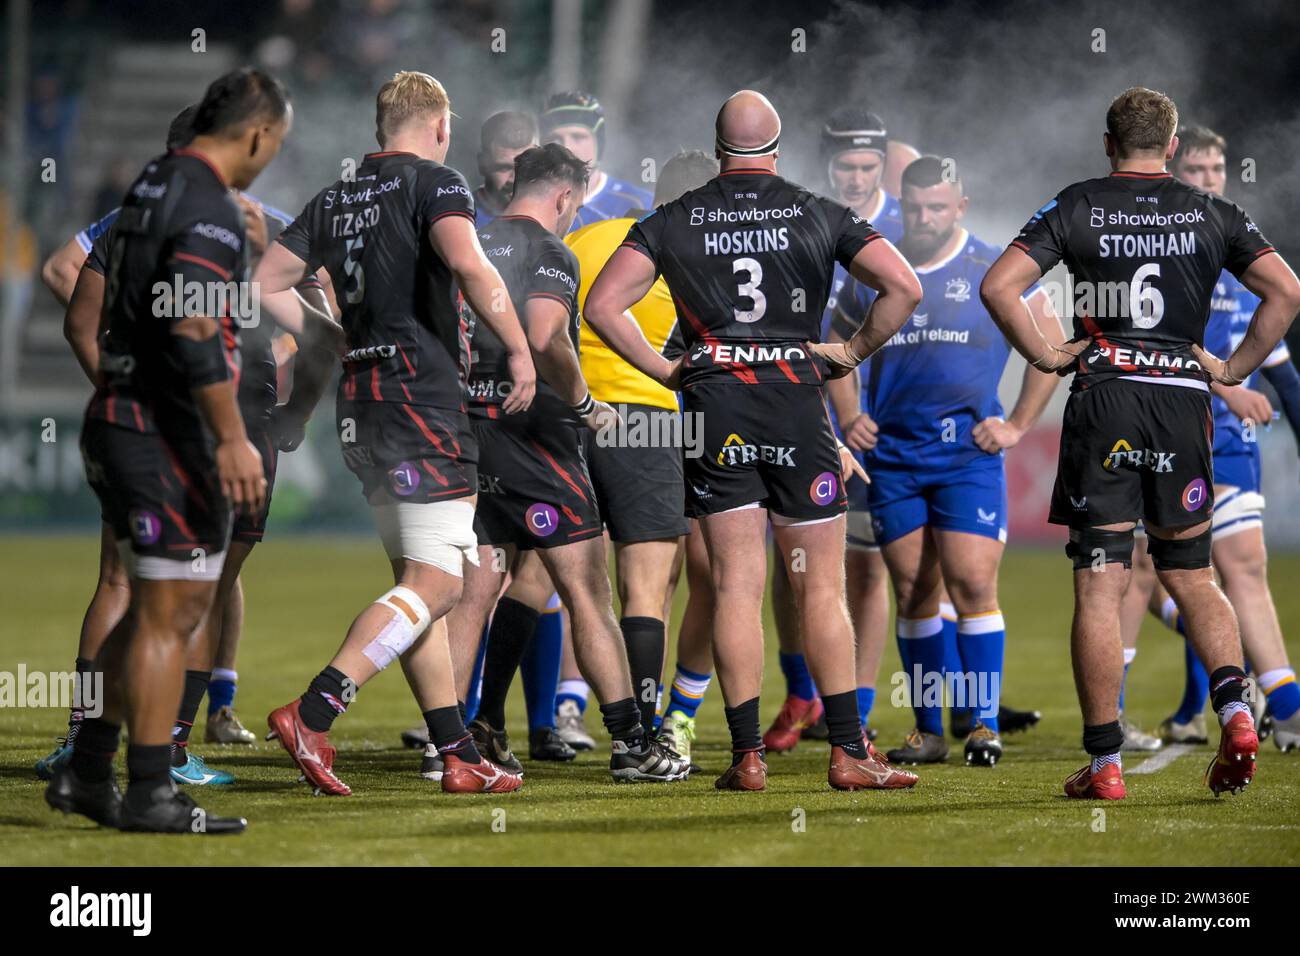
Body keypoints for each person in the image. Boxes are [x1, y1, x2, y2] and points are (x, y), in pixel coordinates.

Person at [584, 89, 923, 792]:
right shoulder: (814, 209)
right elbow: (903, 286)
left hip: (716, 403)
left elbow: (601, 305)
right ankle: (848, 752)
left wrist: (666, 367)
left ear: (717, 149)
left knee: (736, 585)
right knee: (820, 588)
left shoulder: (675, 217)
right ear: (777, 147)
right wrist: (851, 352)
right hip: (795, 403)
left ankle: (745, 757)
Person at [982, 87, 1300, 799]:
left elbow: (1000, 286)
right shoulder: (1211, 211)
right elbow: (1286, 291)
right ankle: (1237, 710)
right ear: (1176, 147)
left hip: (1107, 398)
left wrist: (1047, 354)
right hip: (1184, 403)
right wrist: (1233, 367)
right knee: (1191, 574)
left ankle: (1104, 767)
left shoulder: (1079, 203)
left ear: (1107, 143)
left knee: (1102, 579)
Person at [256, 70, 536, 796]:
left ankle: (457, 752)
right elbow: (469, 263)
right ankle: (315, 711)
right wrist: (521, 346)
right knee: (440, 583)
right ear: (439, 126)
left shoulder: (335, 196)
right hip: (422, 403)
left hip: (365, 407)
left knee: (418, 589)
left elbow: (264, 282)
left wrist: (328, 337)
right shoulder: (436, 183)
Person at [34, 106, 331, 786]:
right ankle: (166, 750)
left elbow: (62, 277)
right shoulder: (259, 223)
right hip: (232, 419)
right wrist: (296, 404)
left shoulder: (134, 214)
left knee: (119, 581)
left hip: (140, 415)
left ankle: (87, 743)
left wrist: (114, 381)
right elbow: (325, 325)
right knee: (204, 583)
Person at [442, 142, 690, 783]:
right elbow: (548, 332)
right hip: (544, 435)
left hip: (471, 433)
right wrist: (581, 401)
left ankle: (454, 737)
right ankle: (634, 742)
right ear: (564, 196)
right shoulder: (552, 249)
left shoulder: (465, 243)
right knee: (590, 589)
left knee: (477, 588)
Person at [831, 156, 1063, 766]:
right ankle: (929, 730)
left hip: (966, 457)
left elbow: (1050, 350)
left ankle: (982, 723)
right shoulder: (875, 272)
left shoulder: (993, 268)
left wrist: (1016, 424)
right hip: (895, 460)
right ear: (899, 205)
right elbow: (836, 349)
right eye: (914, 208)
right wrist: (851, 414)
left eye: (938, 207)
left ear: (960, 206)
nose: (925, 218)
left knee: (973, 583)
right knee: (914, 590)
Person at [473, 110, 538, 226]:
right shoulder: (460, 219)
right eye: (504, 168)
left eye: (525, 166)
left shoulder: (564, 216)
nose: (515, 180)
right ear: (482, 164)